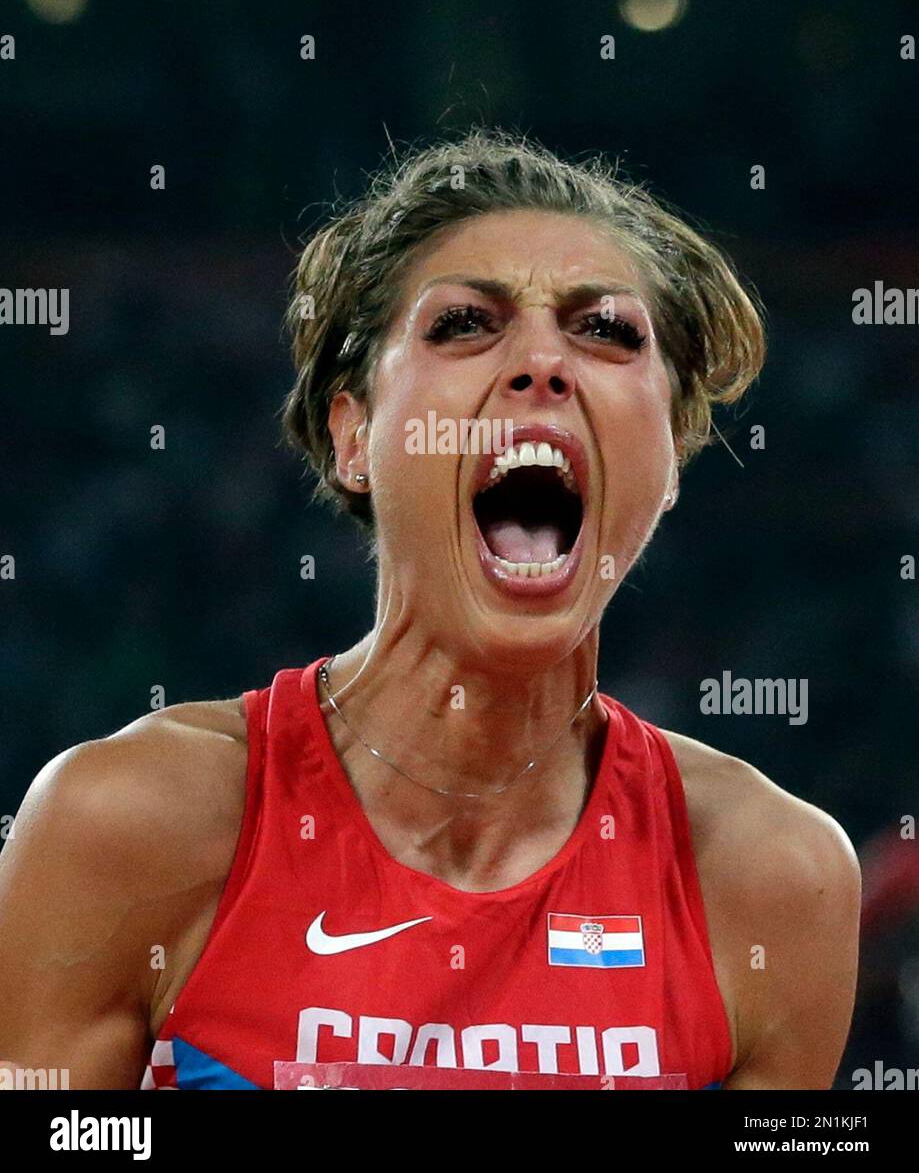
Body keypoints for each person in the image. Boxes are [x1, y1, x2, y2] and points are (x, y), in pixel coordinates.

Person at [0, 130, 860, 1089]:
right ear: (352, 433)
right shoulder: (129, 823)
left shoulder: (770, 878)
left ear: (670, 455)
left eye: (606, 331)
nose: (544, 363)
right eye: (463, 324)